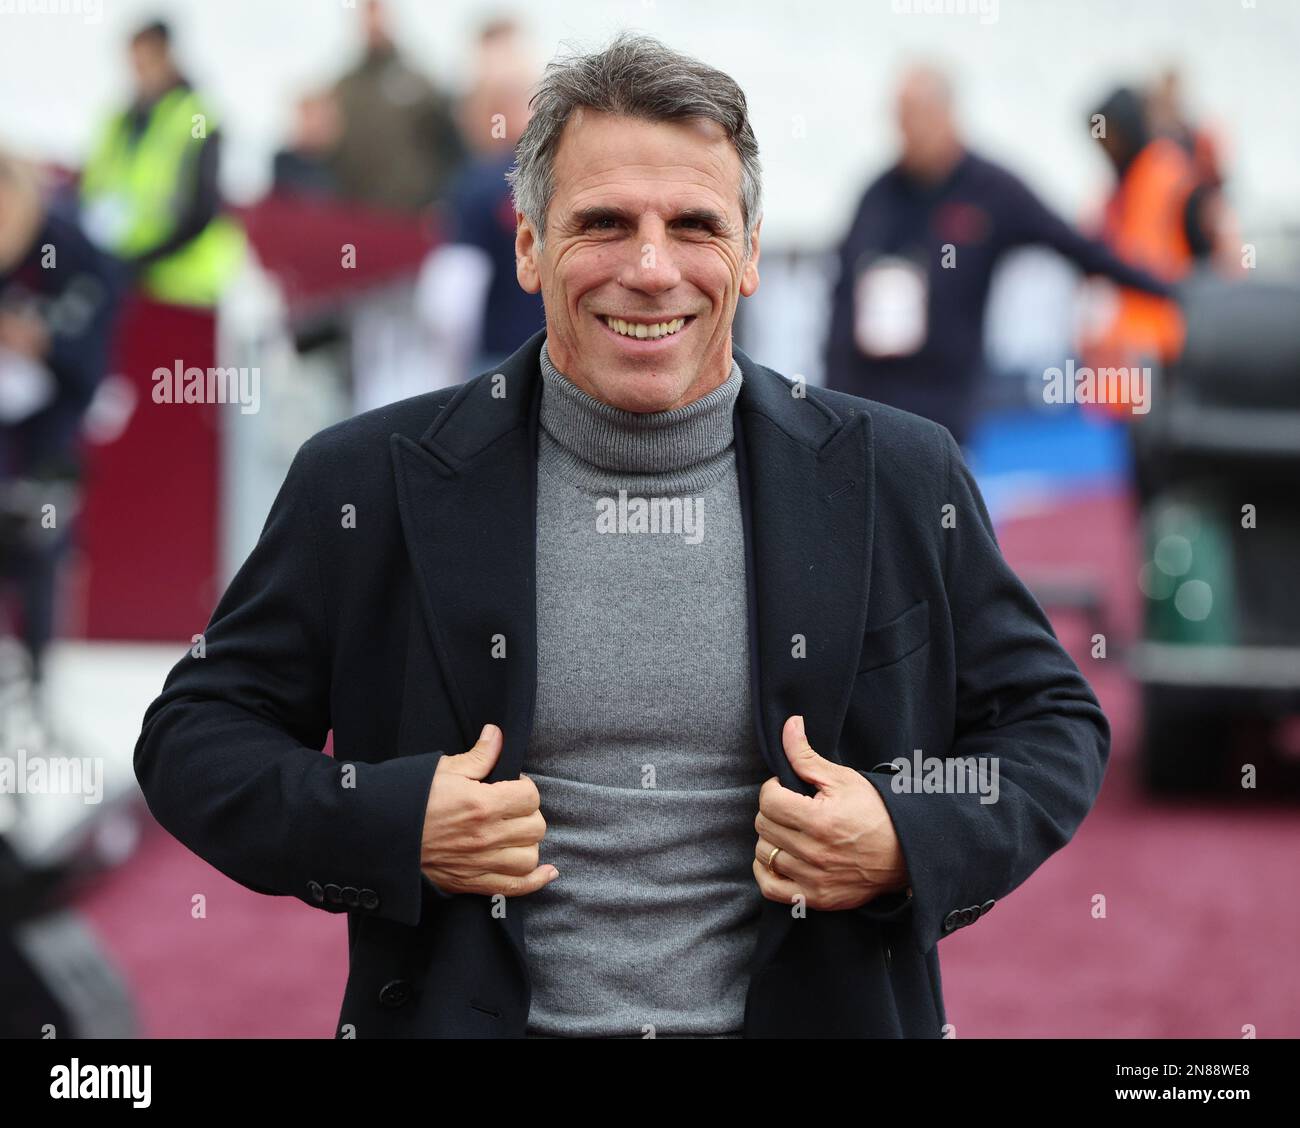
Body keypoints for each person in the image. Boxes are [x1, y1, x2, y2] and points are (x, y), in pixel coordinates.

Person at [134, 33, 1109, 1039]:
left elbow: (1050, 725)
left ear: (751, 253)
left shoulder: (900, 475)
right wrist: (390, 821)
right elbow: (194, 739)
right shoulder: (366, 481)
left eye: (695, 225)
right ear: (526, 245)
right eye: (603, 223)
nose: (651, 270)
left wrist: (907, 837)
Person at [824, 64, 1173, 448]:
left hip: (946, 406)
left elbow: (1079, 248)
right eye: (901, 120)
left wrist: (1173, 292)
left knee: (940, 500)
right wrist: (830, 403)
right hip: (869, 400)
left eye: (919, 117)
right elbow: (840, 296)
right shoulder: (877, 197)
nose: (909, 132)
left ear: (948, 114)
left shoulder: (990, 191)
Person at [0, 152, 121, 684]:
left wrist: (44, 342)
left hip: (45, 432)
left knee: (41, 541)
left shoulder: (70, 250)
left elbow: (93, 352)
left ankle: (36, 679)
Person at [415, 17, 545, 383]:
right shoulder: (565, 178)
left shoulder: (476, 186)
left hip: (494, 368)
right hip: (561, 367)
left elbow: (449, 306)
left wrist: (450, 381)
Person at [78, 19, 243, 308]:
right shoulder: (117, 123)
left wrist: (141, 260)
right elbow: (91, 192)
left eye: (147, 61)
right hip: (125, 280)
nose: (139, 73)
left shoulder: (197, 117)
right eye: (134, 63)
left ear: (168, 56)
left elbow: (202, 210)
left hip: (185, 286)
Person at [327, 0, 468, 213]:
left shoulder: (420, 81)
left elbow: (448, 142)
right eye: (366, 12)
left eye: (377, 10)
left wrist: (440, 200)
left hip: (411, 215)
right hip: (359, 215)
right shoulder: (344, 88)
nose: (373, 21)